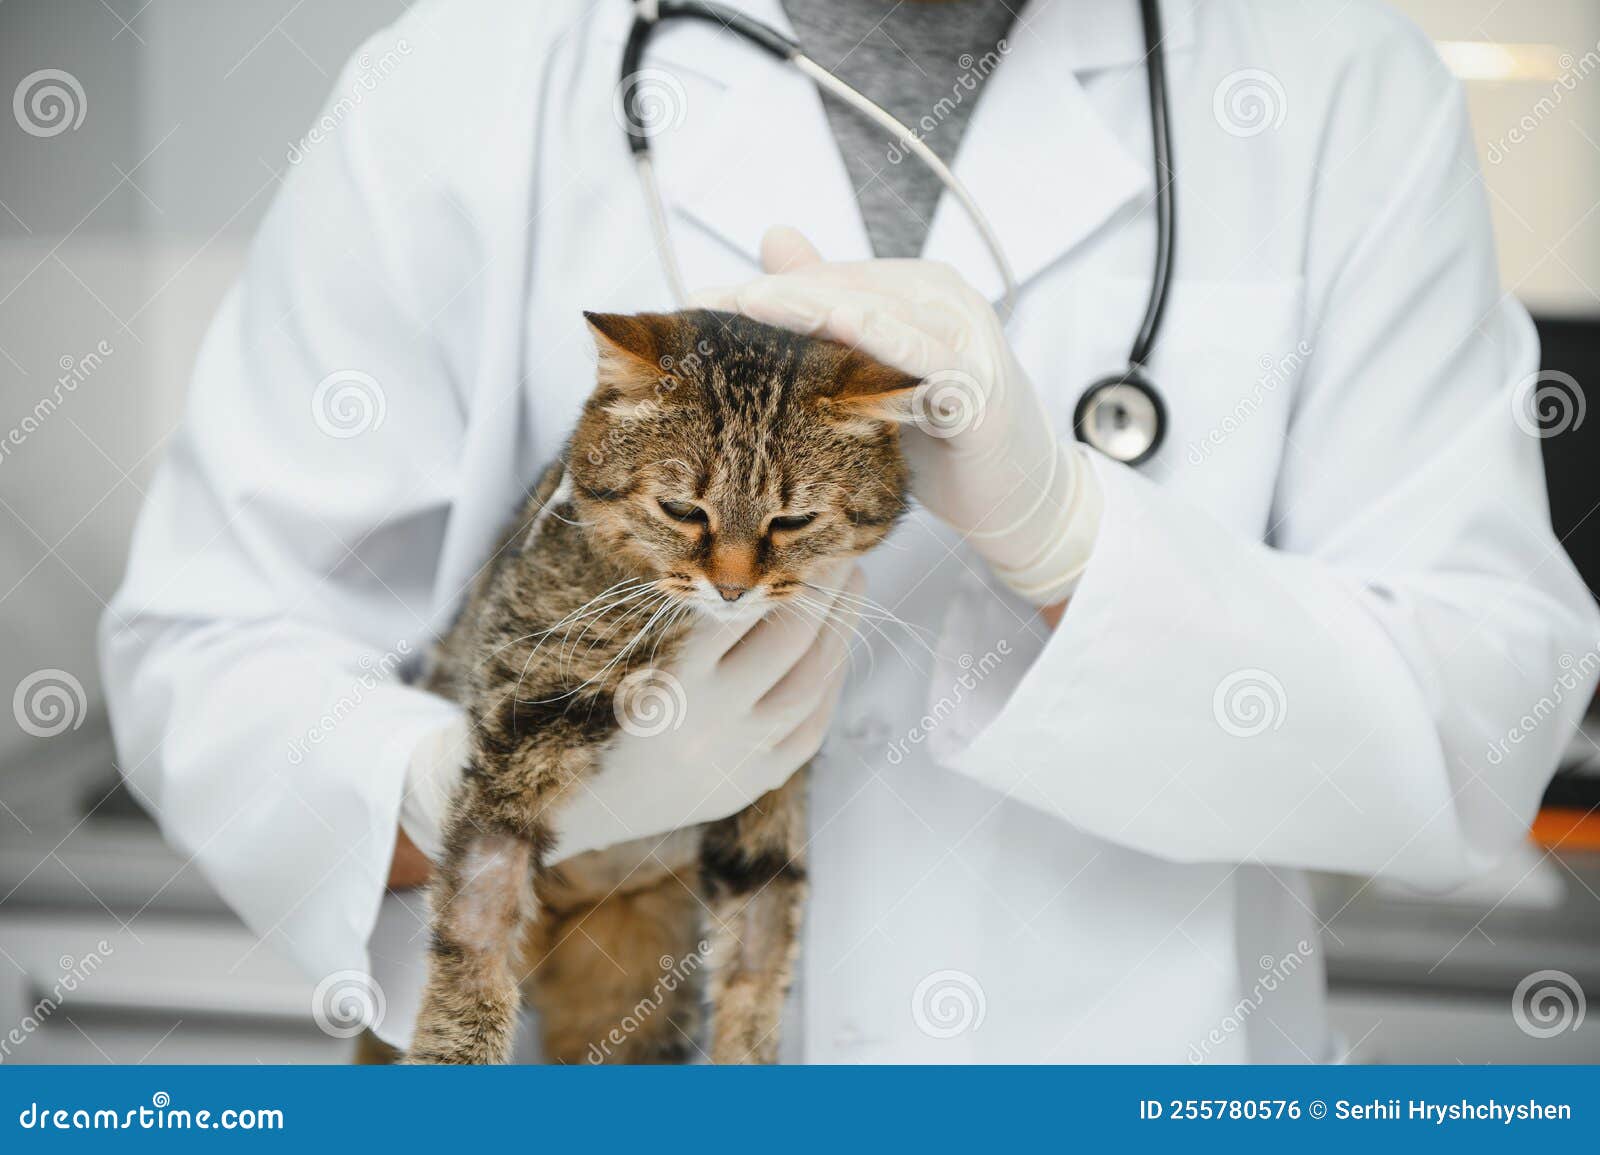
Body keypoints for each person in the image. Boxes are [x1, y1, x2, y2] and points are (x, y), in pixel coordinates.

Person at [100, 0, 1599, 1062]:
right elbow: (211, 652)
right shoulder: (464, 74)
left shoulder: (1338, 86)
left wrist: (1078, 538)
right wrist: (475, 791)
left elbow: (1486, 713)